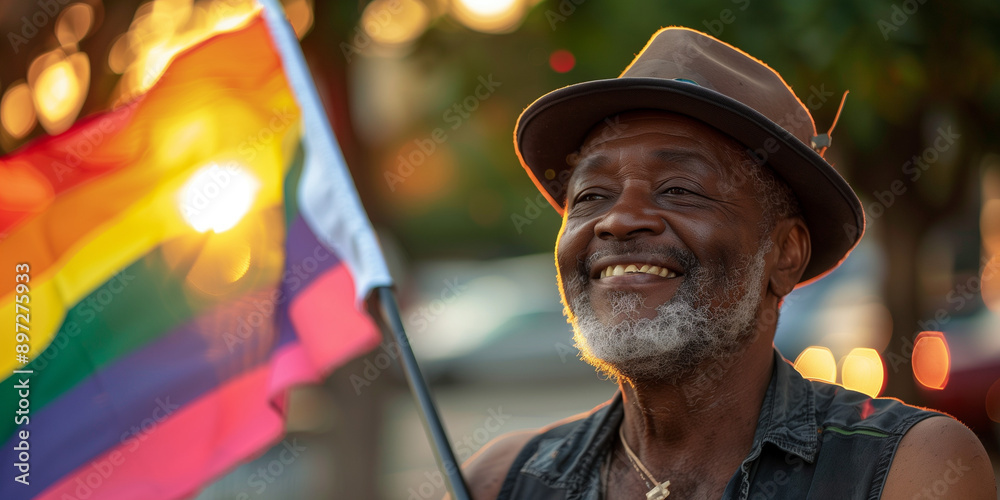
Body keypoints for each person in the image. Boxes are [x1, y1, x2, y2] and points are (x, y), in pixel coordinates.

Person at [458, 27, 997, 499]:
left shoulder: (906, 469)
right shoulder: (499, 482)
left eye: (678, 188)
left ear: (785, 253)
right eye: (591, 196)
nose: (618, 221)